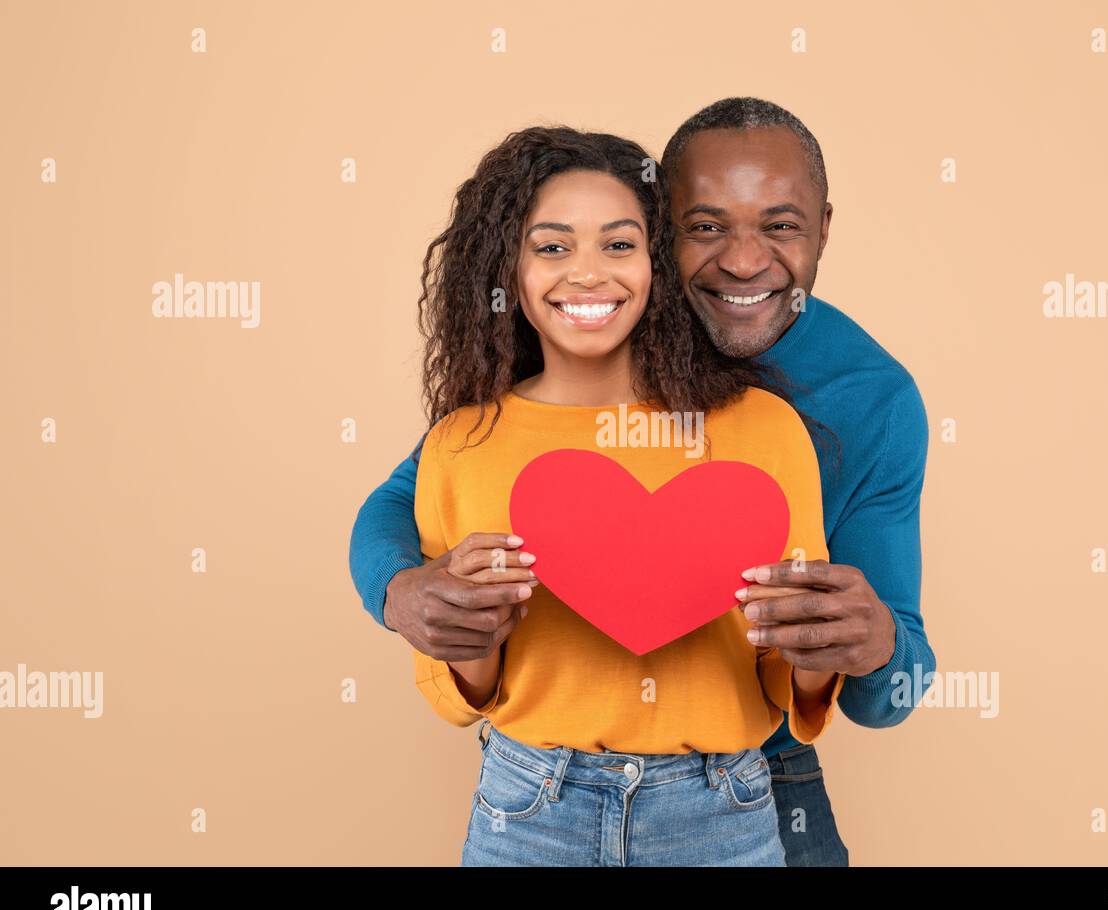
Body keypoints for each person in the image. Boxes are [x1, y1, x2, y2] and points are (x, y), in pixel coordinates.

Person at [350, 98, 936, 867]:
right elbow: (408, 499)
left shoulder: (861, 401)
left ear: (823, 228)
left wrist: (869, 644)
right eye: (705, 227)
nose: (743, 261)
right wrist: (406, 594)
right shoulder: (583, 326)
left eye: (780, 226)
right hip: (540, 789)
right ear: (664, 233)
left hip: (753, 763)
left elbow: (883, 683)